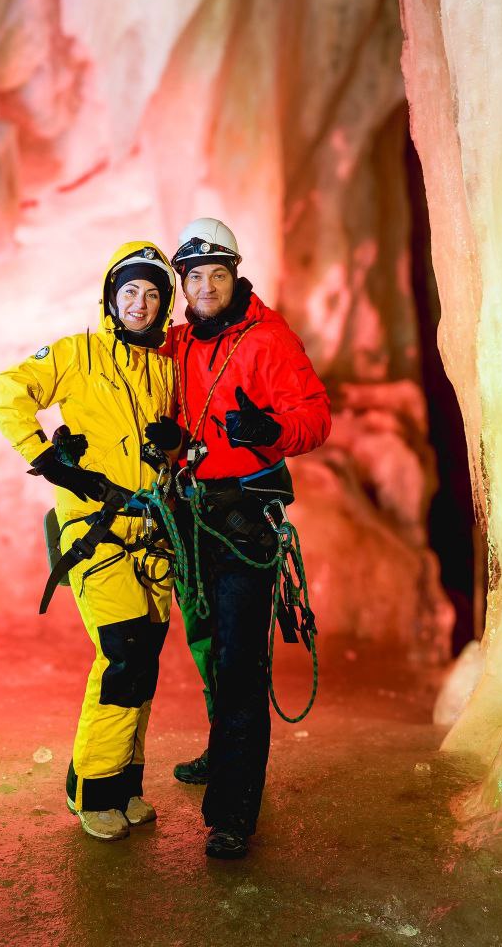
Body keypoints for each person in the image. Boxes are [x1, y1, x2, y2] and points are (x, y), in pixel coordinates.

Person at [146, 217, 331, 859]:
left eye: (215, 276)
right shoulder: (180, 342)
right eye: (193, 277)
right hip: (193, 516)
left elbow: (314, 416)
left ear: (234, 277)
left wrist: (268, 429)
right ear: (183, 284)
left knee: (241, 665)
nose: (204, 287)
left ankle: (232, 814)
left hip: (244, 522)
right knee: (212, 649)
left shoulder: (267, 339)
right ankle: (222, 752)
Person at [0, 241, 176, 843]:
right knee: (123, 655)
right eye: (130, 291)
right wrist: (53, 462)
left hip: (154, 537)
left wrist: (174, 443)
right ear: (109, 296)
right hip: (95, 532)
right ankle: (92, 789)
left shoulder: (168, 367)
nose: (139, 304)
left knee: (142, 661)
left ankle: (125, 785)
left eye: (152, 293)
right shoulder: (76, 353)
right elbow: (4, 391)